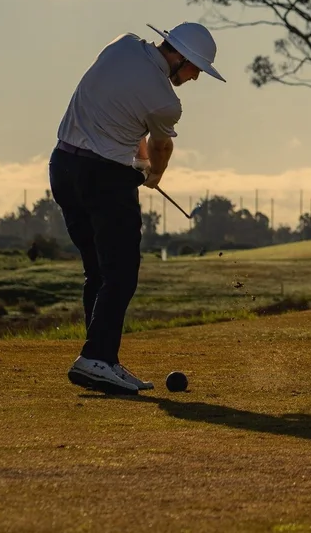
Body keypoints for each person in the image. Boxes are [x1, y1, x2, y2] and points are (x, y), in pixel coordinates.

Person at [50, 23, 224, 394]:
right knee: (121, 274)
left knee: (98, 272)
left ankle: (100, 360)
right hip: (105, 179)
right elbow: (159, 147)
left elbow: (128, 116)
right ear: (179, 58)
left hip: (63, 167)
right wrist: (154, 175)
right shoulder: (166, 102)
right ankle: (97, 357)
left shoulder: (122, 44)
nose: (194, 78)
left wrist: (139, 161)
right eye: (195, 69)